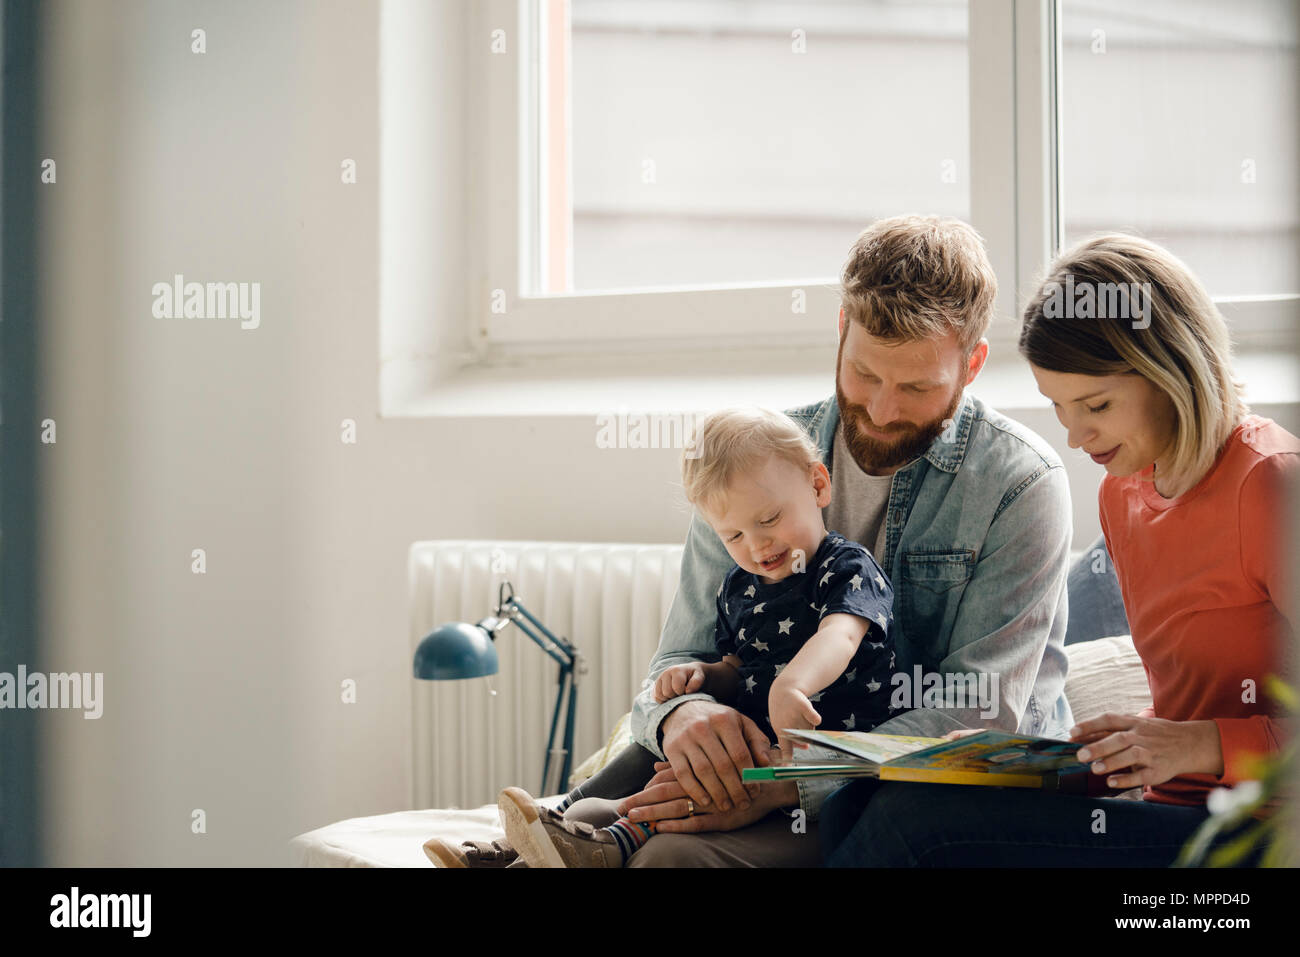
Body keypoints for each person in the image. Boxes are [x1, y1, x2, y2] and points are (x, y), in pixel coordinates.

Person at [428, 214, 1076, 868]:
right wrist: (686, 718)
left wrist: (778, 781)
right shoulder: (753, 459)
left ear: (973, 364)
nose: (881, 410)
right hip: (768, 755)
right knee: (613, 807)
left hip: (917, 792)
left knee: (666, 856)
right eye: (864, 374)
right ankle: (540, 841)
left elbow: (982, 719)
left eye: (915, 387)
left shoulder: (1020, 485)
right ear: (841, 328)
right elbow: (675, 664)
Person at [821, 233, 1297, 867]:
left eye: (1096, 405)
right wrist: (1049, 761)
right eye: (1059, 408)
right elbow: (1181, 719)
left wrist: (1204, 745)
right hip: (1167, 810)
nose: (1075, 437)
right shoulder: (1124, 493)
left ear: (1171, 371)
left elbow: (1198, 739)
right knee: (869, 795)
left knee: (919, 821)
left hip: (1260, 833)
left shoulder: (1269, 483)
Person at [495, 407, 898, 867]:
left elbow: (842, 635)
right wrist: (701, 679)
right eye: (734, 535)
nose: (757, 545)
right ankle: (536, 842)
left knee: (697, 783)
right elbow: (737, 669)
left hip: (822, 769)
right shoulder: (738, 588)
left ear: (818, 485)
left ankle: (599, 847)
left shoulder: (845, 566)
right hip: (751, 745)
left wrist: (793, 686)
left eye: (769, 518)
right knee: (660, 745)